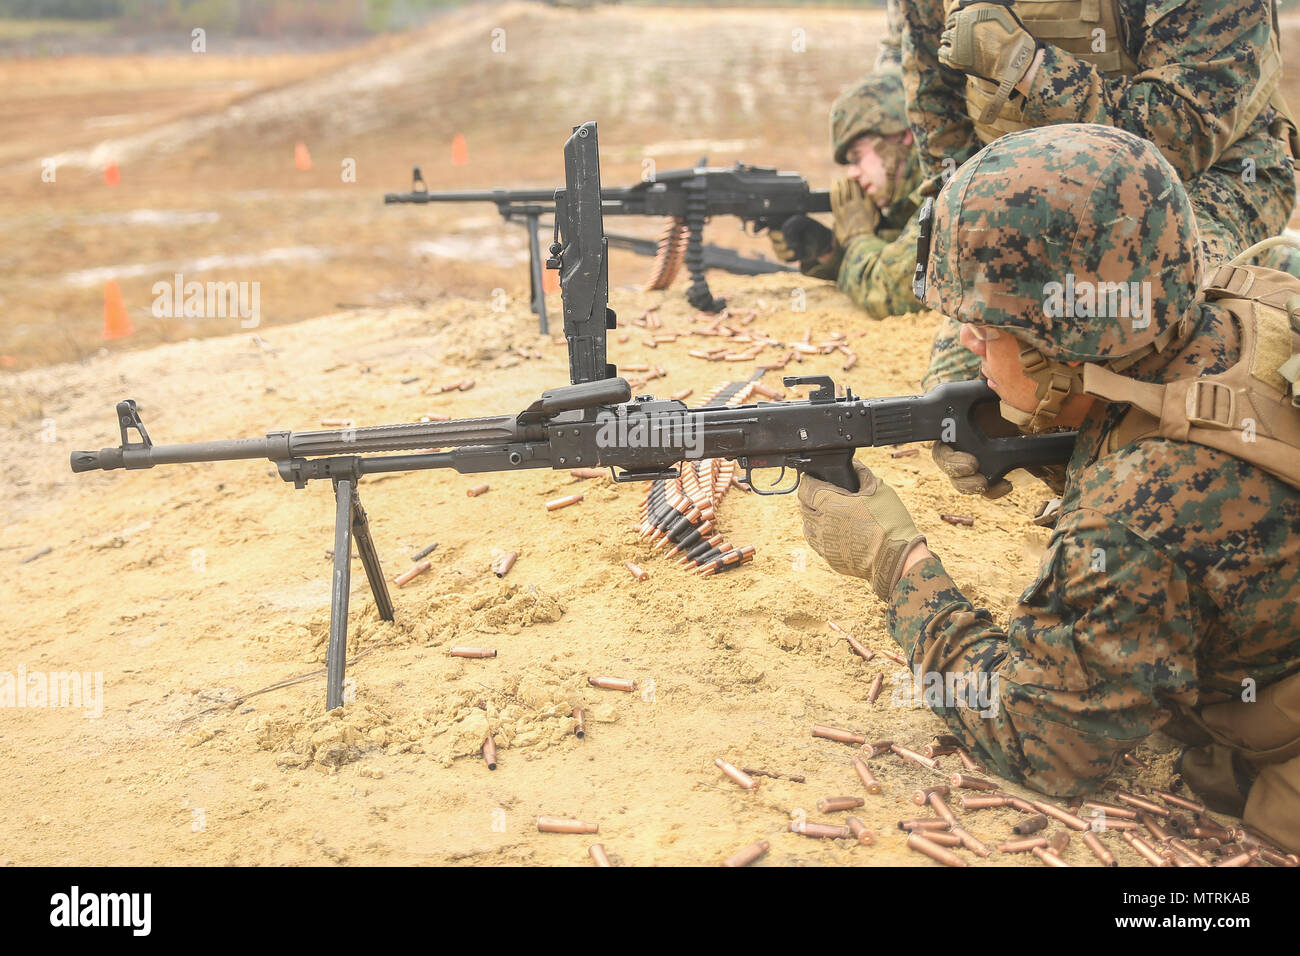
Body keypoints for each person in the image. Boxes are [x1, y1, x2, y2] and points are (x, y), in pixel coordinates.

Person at [795, 123, 1300, 853]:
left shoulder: (1133, 514)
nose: (966, 342)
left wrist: (895, 562)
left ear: (1064, 342)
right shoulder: (1251, 304)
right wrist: (1050, 451)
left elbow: (1045, 740)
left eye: (984, 325)